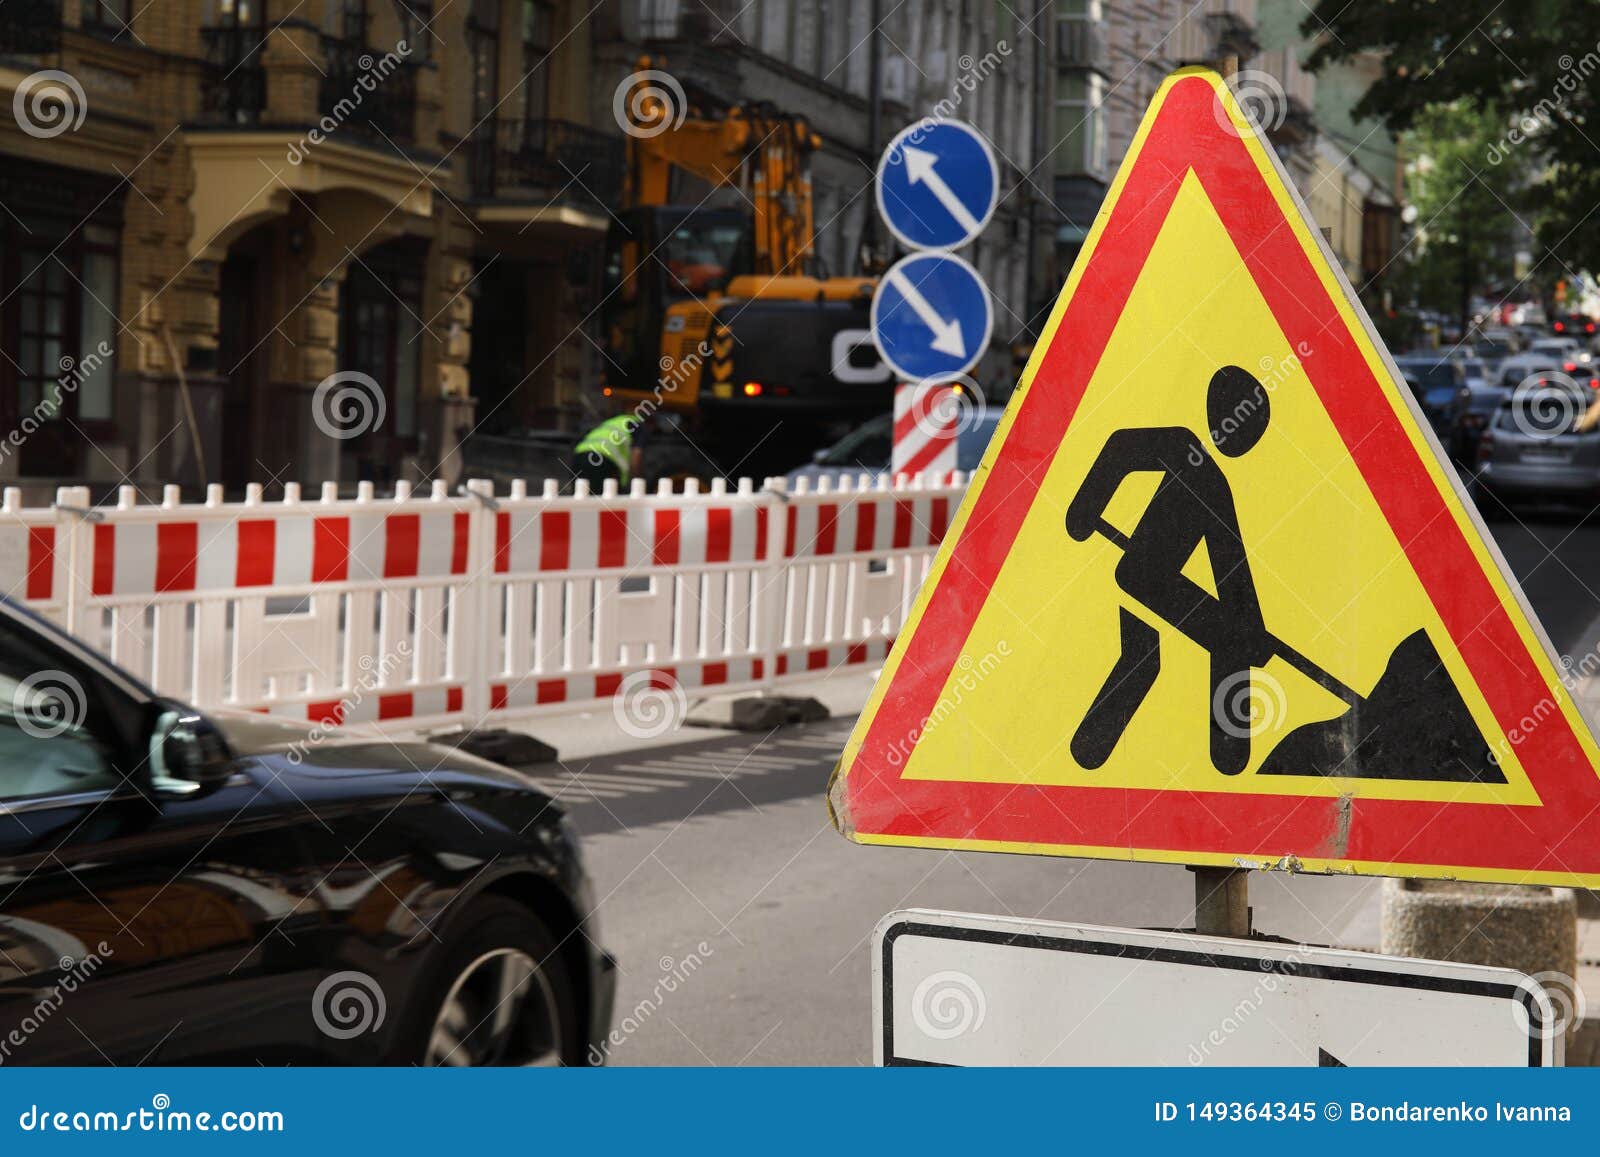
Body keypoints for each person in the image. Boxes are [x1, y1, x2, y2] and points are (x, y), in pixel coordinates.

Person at [1064, 365, 1275, 775]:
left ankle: (1228, 750)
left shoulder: (1215, 486)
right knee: (1159, 655)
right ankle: (1227, 749)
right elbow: (1120, 449)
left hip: (1159, 583)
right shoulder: (1183, 447)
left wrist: (1252, 626)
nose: (1245, 439)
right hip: (1142, 575)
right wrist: (1084, 508)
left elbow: (1231, 567)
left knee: (1222, 640)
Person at [572, 404, 649, 488]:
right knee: (602, 496)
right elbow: (636, 456)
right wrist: (638, 480)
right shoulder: (638, 426)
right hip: (602, 460)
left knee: (580, 496)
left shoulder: (612, 421)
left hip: (579, 457)